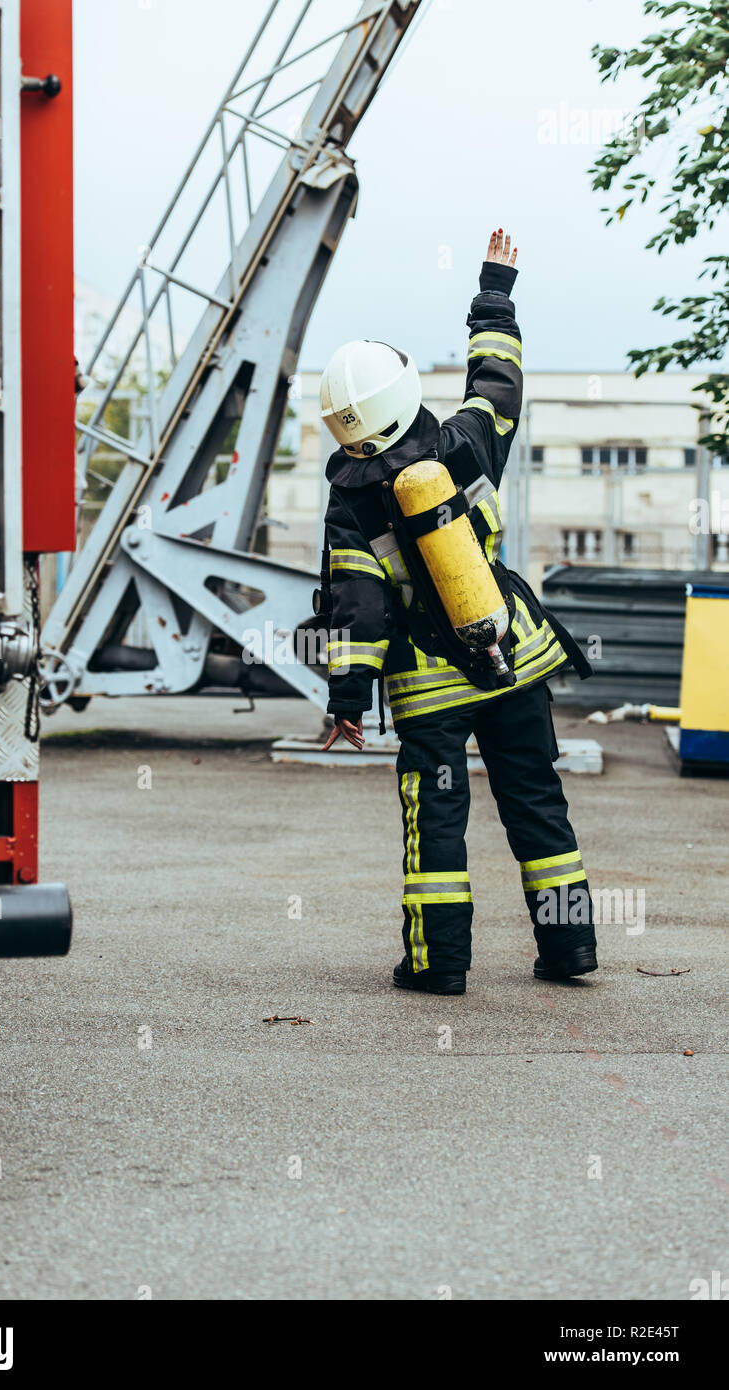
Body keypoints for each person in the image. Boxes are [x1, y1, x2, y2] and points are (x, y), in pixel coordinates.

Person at [319, 230, 598, 995]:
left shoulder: (350, 501)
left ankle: (438, 965)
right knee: (539, 809)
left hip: (428, 689)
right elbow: (497, 377)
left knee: (435, 826)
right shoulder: (466, 439)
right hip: (513, 660)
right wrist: (493, 293)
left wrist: (346, 699)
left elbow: (358, 607)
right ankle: (569, 949)